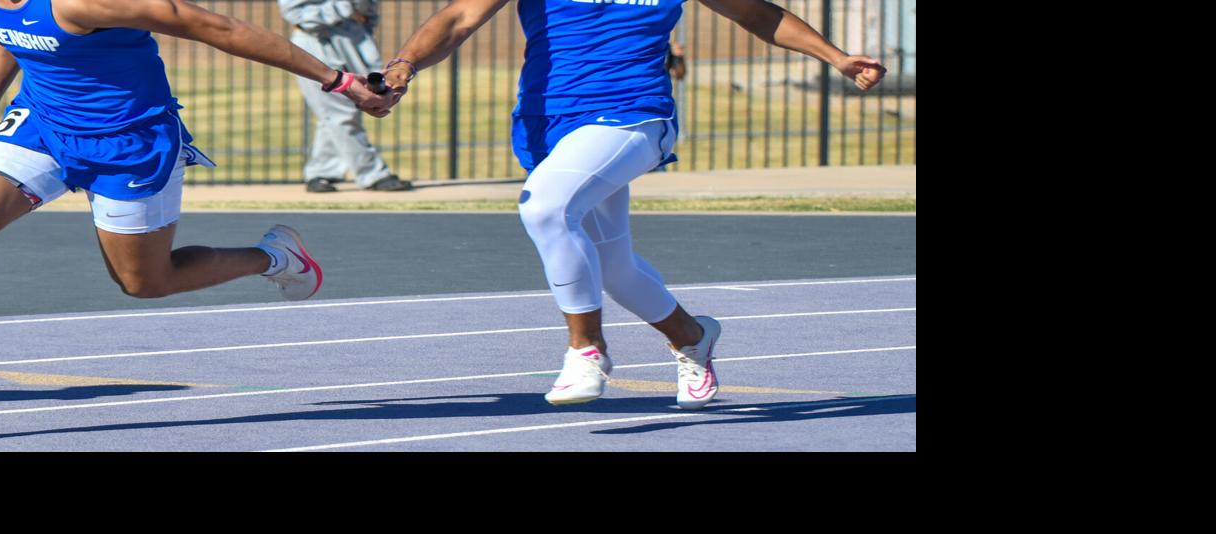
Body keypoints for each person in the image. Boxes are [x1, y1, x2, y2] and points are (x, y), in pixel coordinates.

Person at [0, 0, 394, 425]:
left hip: (128, 140)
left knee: (145, 281)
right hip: (40, 124)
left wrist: (341, 82)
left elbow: (215, 26)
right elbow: (8, 32)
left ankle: (272, 257)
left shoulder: (85, 3)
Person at [379, 0, 884, 408]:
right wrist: (404, 63)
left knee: (545, 208)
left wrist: (835, 56)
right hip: (549, 120)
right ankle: (691, 336)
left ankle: (586, 351)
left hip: (633, 116)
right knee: (614, 268)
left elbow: (759, 15)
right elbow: (459, 17)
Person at [279, 0, 413, 192]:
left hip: (355, 40)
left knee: (335, 111)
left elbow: (368, 10)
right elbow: (298, 15)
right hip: (316, 43)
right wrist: (347, 6)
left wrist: (362, 21)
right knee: (339, 111)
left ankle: (322, 171)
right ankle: (372, 173)